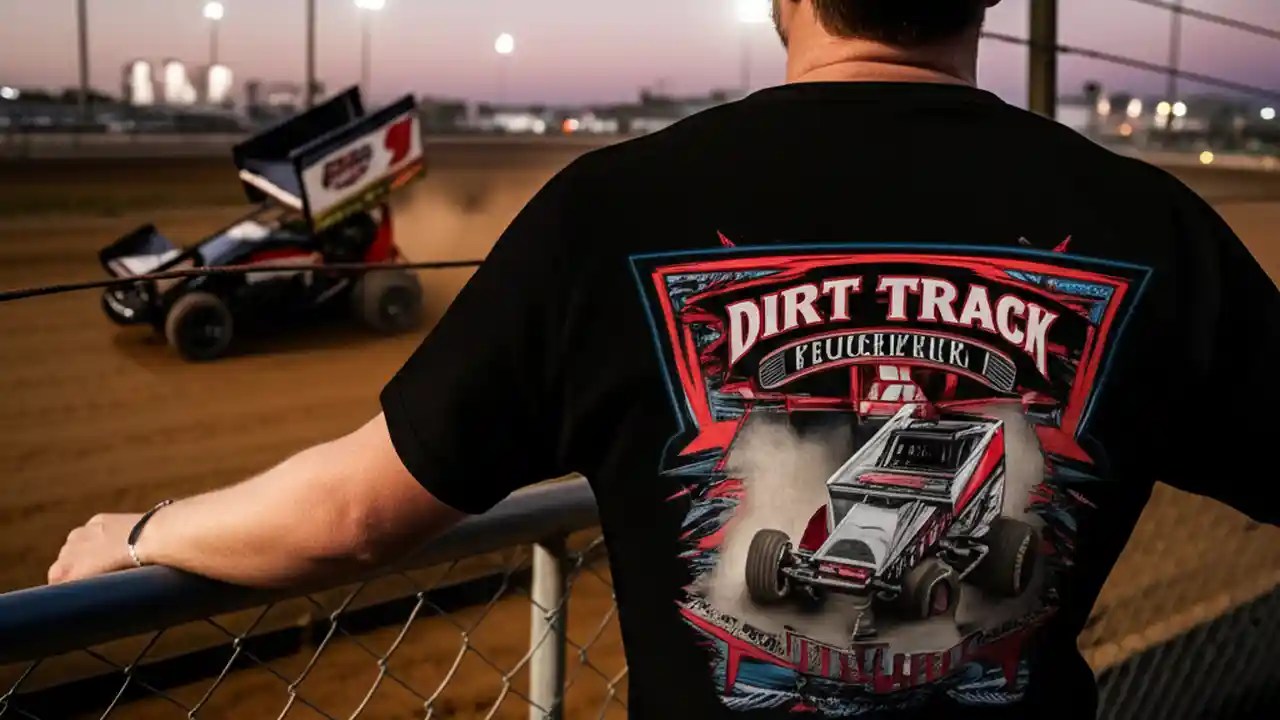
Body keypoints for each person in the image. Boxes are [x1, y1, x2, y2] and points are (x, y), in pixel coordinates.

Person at [50, 1, 1278, 718]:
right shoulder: (1144, 224)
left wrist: (138, 536)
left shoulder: (610, 212)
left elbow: (350, 515)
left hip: (928, 516)